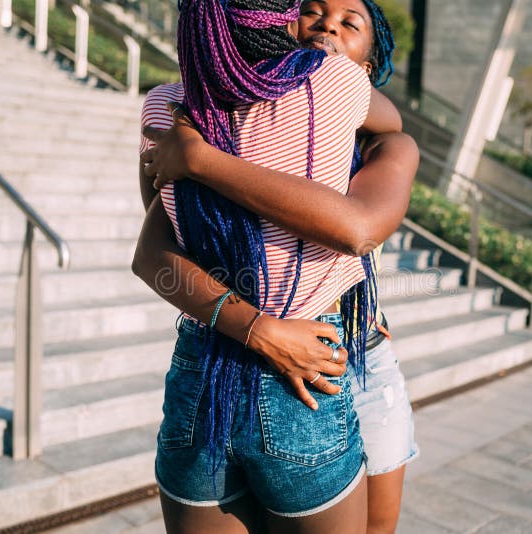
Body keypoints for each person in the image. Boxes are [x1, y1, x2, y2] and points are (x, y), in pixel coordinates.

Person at [132, 0, 414, 532]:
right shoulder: (207, 115)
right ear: (281, 26)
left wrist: (200, 161)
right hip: (259, 357)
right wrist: (259, 329)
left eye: (350, 22)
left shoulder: (388, 143)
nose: (327, 24)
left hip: (353, 358)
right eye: (312, 9)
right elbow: (152, 256)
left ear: (371, 70)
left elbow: (357, 230)